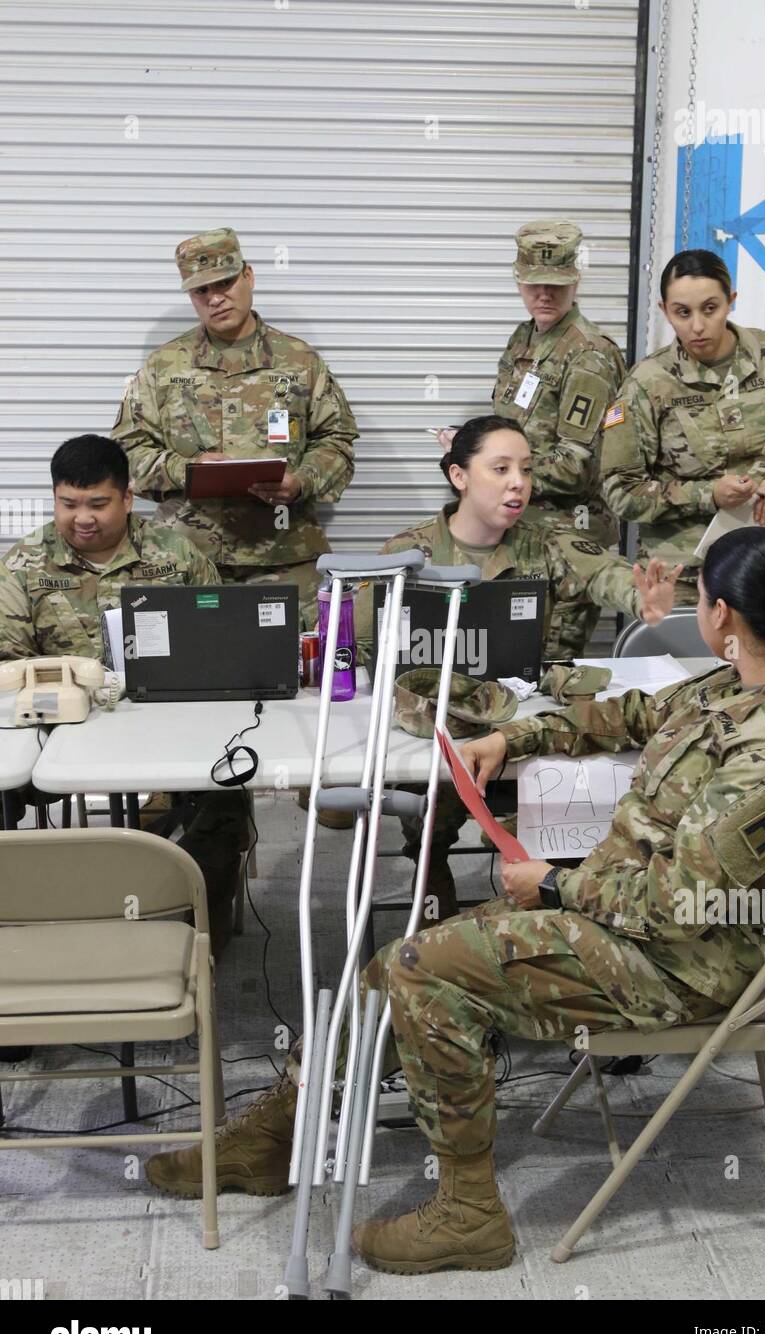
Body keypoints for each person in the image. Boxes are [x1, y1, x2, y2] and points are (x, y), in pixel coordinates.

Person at [142, 522, 765, 1282]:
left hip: (683, 964)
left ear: (721, 616)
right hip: (623, 919)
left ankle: (469, 1214)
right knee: (393, 966)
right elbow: (627, 715)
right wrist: (512, 740)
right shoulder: (738, 684)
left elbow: (678, 902)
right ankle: (280, 1133)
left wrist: (552, 883)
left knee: (423, 969)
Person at [353, 414, 681, 919]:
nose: (518, 484)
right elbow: (363, 638)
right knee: (428, 832)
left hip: (529, 732)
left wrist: (641, 599)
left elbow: (604, 573)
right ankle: (433, 929)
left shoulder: (547, 541)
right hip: (436, 732)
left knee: (575, 827)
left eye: (526, 471)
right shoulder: (408, 553)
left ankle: (550, 925)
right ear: (459, 476)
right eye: (500, 468)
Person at [0, 434, 249, 957]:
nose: (82, 518)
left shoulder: (176, 554)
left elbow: (227, 640)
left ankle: (191, 925)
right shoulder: (24, 564)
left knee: (228, 797)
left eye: (97, 504)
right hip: (60, 732)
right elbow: (8, 663)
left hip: (167, 724)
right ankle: (18, 928)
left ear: (127, 498)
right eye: (68, 504)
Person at [112, 227, 358, 630]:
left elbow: (338, 441)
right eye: (200, 291)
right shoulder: (164, 366)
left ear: (249, 276)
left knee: (298, 673)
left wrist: (300, 480)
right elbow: (125, 453)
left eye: (224, 282)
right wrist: (185, 469)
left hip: (284, 554)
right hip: (186, 558)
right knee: (189, 670)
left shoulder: (299, 361)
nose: (215, 298)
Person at [601, 248, 765, 604]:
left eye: (710, 308)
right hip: (686, 579)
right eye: (682, 312)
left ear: (731, 301)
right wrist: (707, 495)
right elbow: (620, 489)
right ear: (665, 311)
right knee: (682, 660)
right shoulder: (647, 384)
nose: (697, 325)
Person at [439, 219, 625, 653]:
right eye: (534, 283)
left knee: (544, 674)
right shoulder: (524, 339)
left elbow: (576, 464)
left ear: (576, 280)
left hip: (563, 544)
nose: (544, 294)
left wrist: (489, 471)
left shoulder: (589, 356)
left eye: (556, 284)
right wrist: (469, 443)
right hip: (519, 534)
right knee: (504, 665)